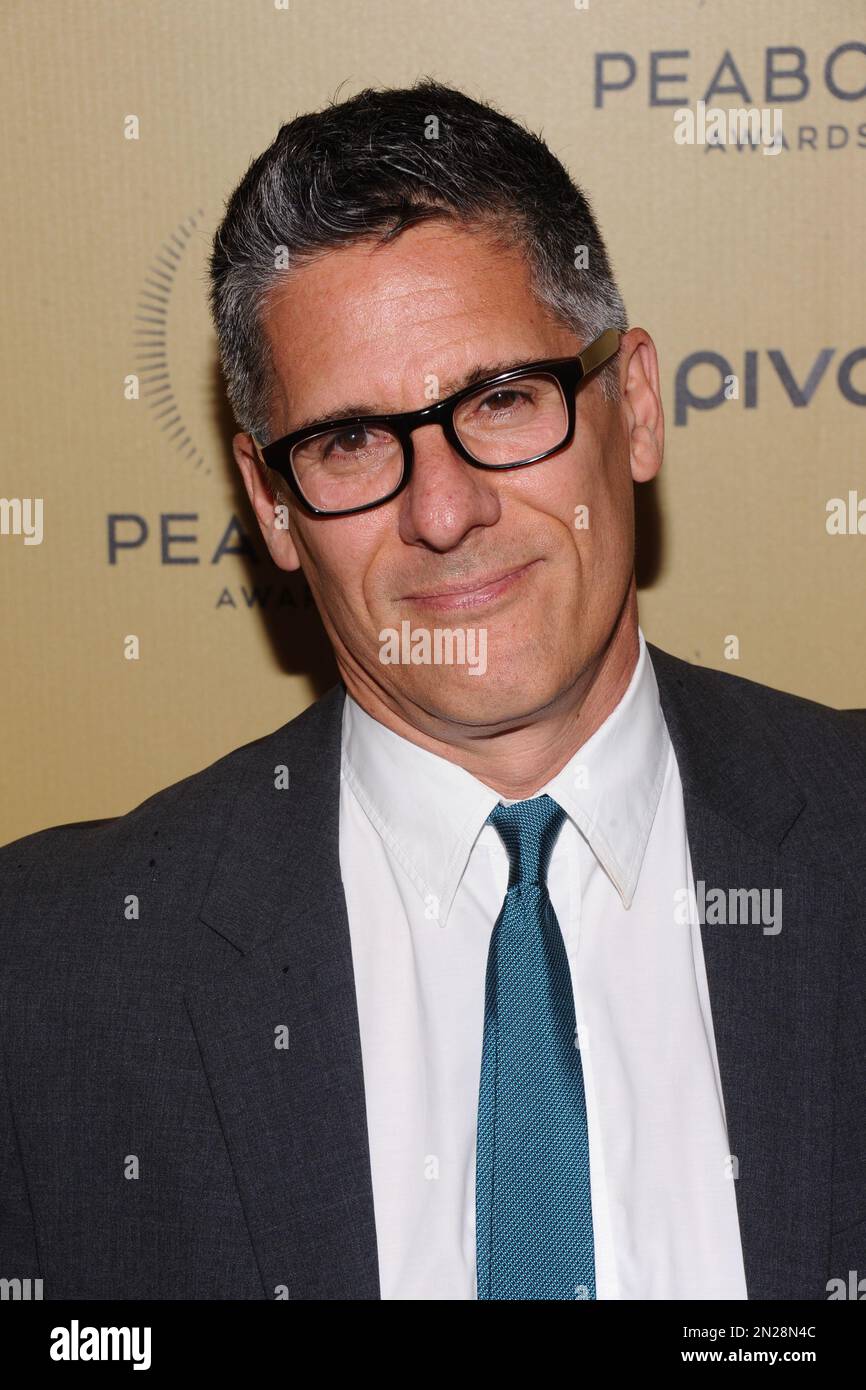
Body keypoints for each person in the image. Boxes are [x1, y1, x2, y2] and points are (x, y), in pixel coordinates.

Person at [2, 80, 865, 1302]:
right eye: (350, 440)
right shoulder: (50, 977)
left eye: (500, 402)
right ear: (269, 504)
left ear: (632, 408)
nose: (443, 510)